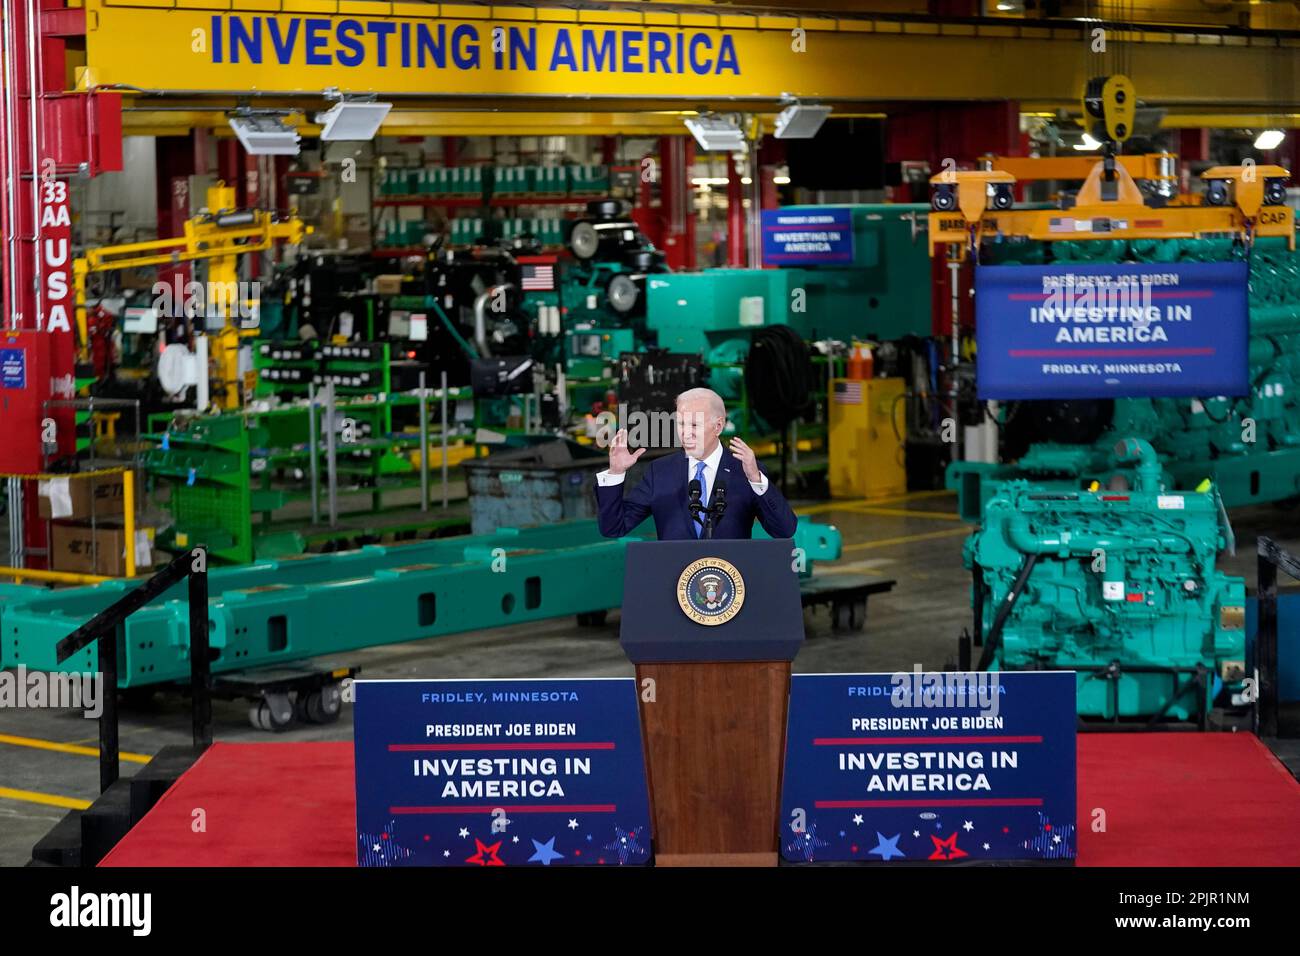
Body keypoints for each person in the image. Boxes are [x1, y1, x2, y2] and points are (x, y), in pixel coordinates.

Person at [593, 387, 799, 540]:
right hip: (674, 587)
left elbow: (784, 530)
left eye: (694, 424)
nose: (686, 433)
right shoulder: (660, 472)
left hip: (731, 588)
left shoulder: (745, 471)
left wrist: (756, 479)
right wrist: (616, 473)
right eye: (681, 423)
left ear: (718, 426)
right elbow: (614, 528)